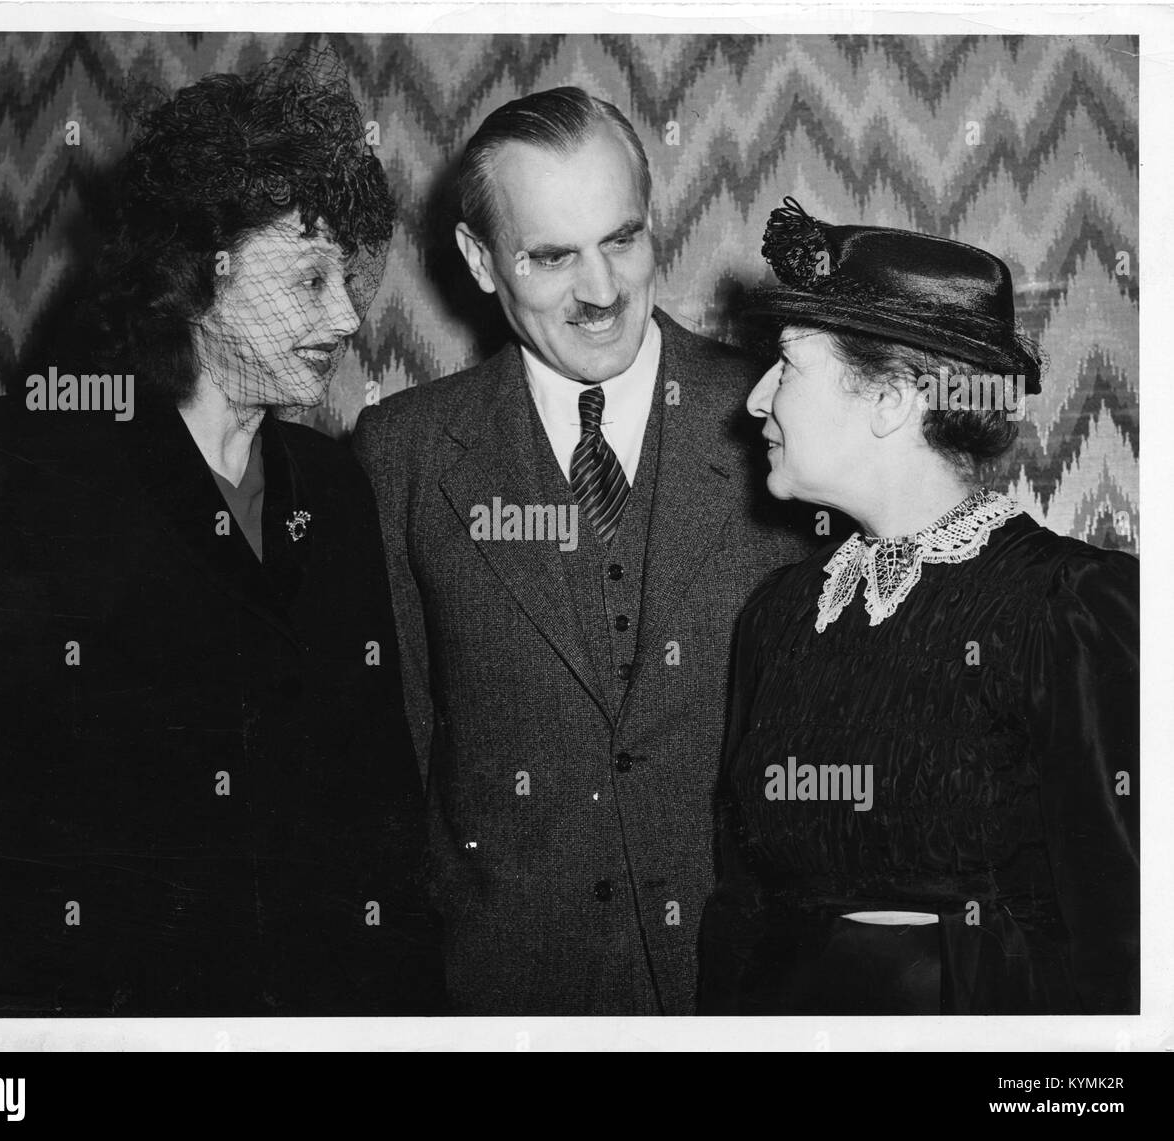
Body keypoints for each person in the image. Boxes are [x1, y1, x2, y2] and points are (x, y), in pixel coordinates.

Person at [0, 51, 445, 1016]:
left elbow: (381, 813)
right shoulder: (25, 470)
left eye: (348, 279)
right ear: (202, 272)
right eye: (311, 278)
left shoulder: (334, 487)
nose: (348, 317)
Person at [351, 88, 810, 1014]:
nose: (600, 292)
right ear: (481, 262)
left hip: (741, 1000)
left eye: (622, 240)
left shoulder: (784, 428)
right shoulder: (399, 453)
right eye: (552, 256)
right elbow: (386, 768)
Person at [698, 198, 1139, 1014]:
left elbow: (1127, 943)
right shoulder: (780, 615)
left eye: (788, 364)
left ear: (892, 399)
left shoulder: (1068, 609)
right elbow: (741, 913)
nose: (755, 400)